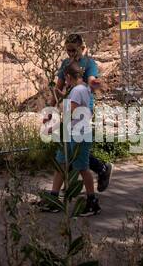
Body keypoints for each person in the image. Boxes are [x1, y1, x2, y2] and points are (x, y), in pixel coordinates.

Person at [53, 34, 112, 192]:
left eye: (73, 50)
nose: (71, 54)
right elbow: (58, 86)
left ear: (82, 48)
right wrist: (52, 106)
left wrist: (95, 83)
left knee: (76, 146)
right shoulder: (66, 63)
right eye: (68, 50)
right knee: (72, 148)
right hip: (70, 104)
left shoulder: (88, 63)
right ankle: (97, 171)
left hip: (82, 106)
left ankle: (97, 172)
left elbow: (92, 80)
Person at [41, 62, 100, 215]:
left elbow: (73, 111)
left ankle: (92, 201)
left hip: (78, 134)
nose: (64, 82)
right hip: (73, 132)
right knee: (61, 163)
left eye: (65, 79)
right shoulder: (84, 88)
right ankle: (53, 198)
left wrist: (56, 114)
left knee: (82, 168)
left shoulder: (76, 91)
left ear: (68, 76)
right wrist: (62, 96)